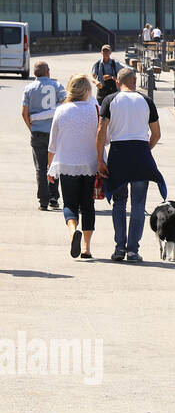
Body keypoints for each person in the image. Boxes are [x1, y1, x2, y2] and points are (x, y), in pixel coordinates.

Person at [96, 67, 166, 262]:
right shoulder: (147, 101)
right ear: (135, 81)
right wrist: (145, 150)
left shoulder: (110, 100)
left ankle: (119, 248)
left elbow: (101, 130)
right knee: (138, 204)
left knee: (119, 203)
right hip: (140, 154)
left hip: (118, 154)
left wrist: (100, 159)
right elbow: (157, 133)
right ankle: (133, 250)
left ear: (118, 83)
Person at [47, 74, 99, 259]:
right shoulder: (95, 109)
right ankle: (86, 247)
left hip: (67, 163)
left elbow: (52, 144)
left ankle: (72, 232)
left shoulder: (61, 110)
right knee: (88, 205)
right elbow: (104, 138)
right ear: (87, 90)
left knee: (69, 204)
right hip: (90, 164)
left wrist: (49, 168)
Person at [21, 61, 66, 211]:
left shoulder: (28, 89)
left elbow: (24, 113)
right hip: (54, 132)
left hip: (37, 133)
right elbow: (66, 101)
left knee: (40, 168)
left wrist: (31, 127)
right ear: (48, 72)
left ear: (35, 73)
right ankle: (54, 197)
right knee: (54, 164)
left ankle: (43, 201)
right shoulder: (57, 86)